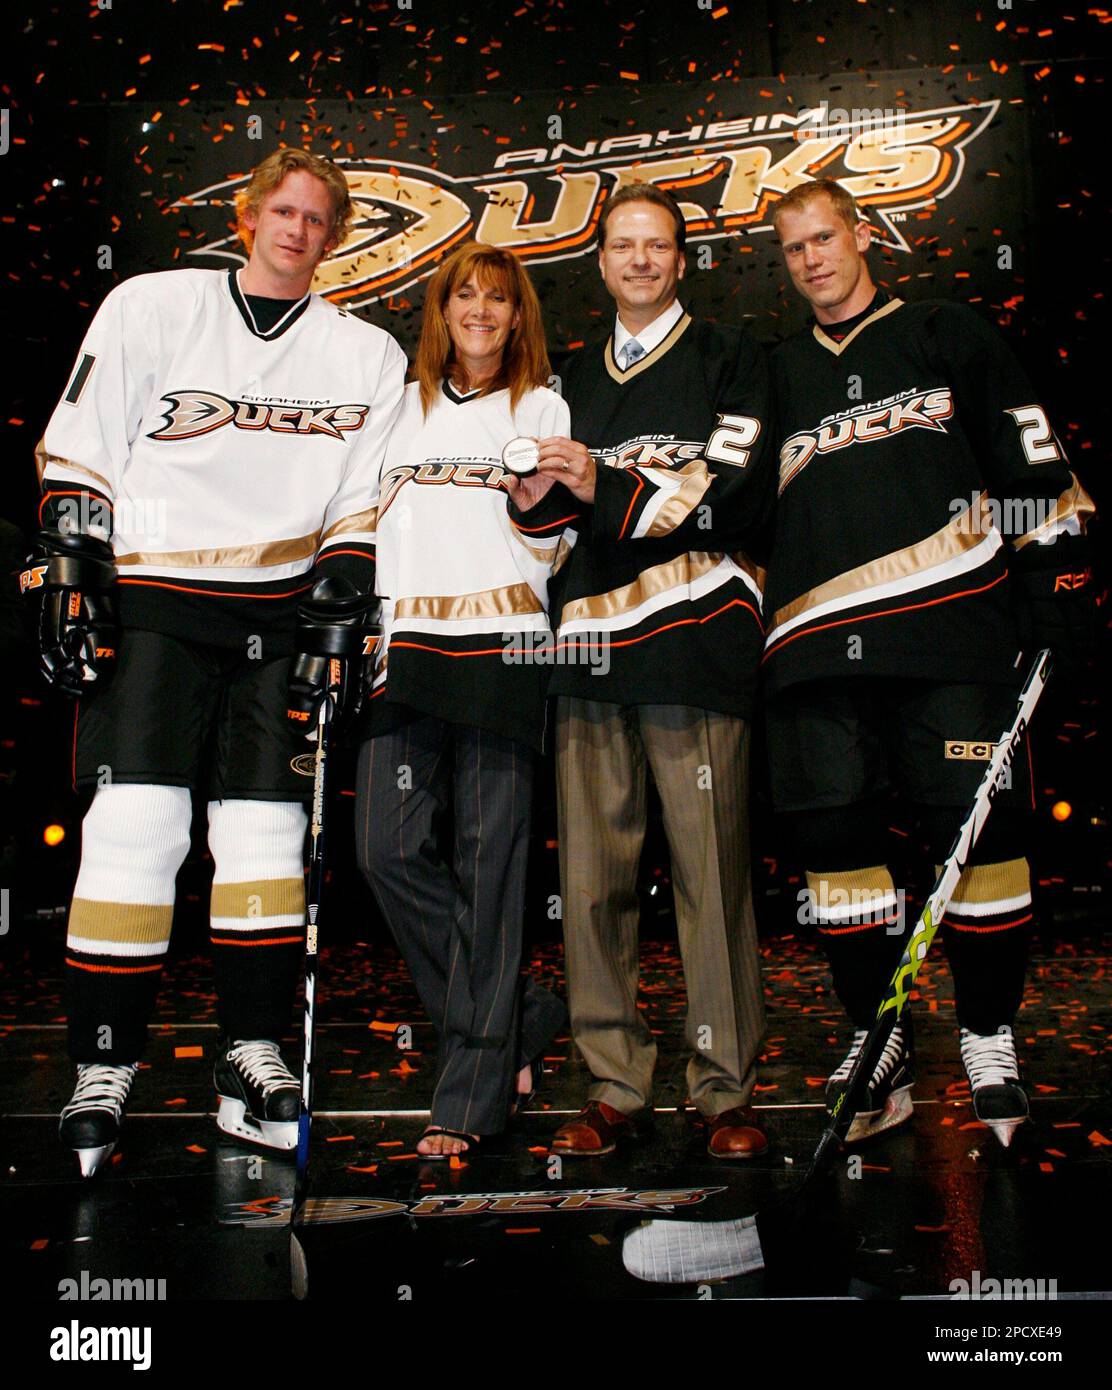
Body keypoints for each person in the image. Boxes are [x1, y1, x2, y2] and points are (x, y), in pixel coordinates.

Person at [25, 147, 407, 1176]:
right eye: (282, 211)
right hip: (156, 603)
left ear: (336, 237)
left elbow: (361, 500)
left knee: (264, 840)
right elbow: (85, 439)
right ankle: (103, 1064)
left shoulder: (365, 354)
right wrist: (70, 560)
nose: (297, 230)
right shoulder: (151, 306)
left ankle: (251, 1052)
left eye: (318, 219)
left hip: (276, 622)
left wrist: (340, 612)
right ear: (248, 217)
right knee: (135, 829)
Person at [764, 177, 1097, 1147]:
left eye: (824, 237)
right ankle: (879, 1041)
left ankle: (988, 1035)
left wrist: (1051, 592)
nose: (812, 259)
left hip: (953, 634)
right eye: (792, 248)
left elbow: (1031, 464)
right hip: (817, 654)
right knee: (839, 859)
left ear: (861, 234)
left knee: (983, 846)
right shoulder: (775, 370)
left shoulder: (948, 331)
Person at [527, 183, 777, 1159]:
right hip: (588, 657)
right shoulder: (565, 379)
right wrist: (535, 496)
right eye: (620, 245)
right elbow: (546, 517)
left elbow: (732, 494)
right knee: (591, 888)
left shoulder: (731, 360)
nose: (637, 260)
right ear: (599, 263)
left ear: (681, 262)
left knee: (710, 884)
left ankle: (723, 1091)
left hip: (694, 653)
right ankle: (614, 1084)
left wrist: (607, 486)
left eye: (654, 246)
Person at [355, 242, 574, 1158]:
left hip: (503, 647)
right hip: (406, 650)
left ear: (518, 316)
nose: (480, 312)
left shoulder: (544, 405)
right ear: (440, 313)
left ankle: (474, 1095)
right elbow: (361, 526)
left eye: (497, 299)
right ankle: (518, 1013)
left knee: (492, 876)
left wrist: (535, 506)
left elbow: (558, 539)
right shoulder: (396, 410)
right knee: (384, 848)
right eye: (463, 297)